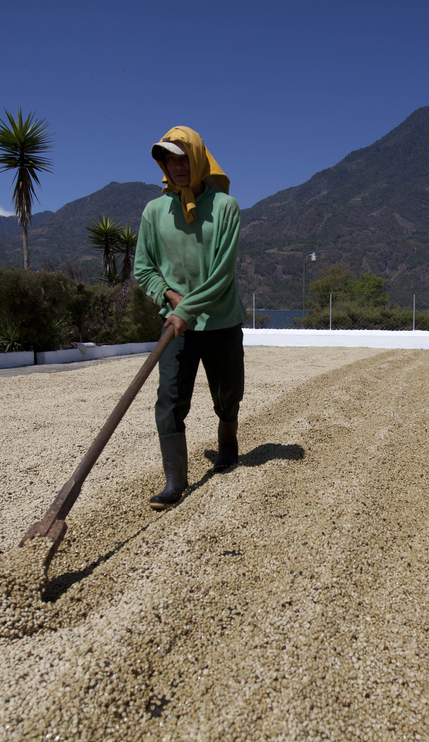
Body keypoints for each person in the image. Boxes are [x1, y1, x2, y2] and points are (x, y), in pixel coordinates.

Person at [133, 126, 245, 510]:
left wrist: (186, 308)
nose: (176, 166)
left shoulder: (225, 208)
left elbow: (221, 276)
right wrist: (168, 296)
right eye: (168, 159)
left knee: (227, 393)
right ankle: (174, 479)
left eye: (183, 157)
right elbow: (144, 268)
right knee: (169, 398)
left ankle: (227, 442)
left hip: (221, 321)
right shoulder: (154, 212)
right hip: (176, 325)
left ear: (197, 159)